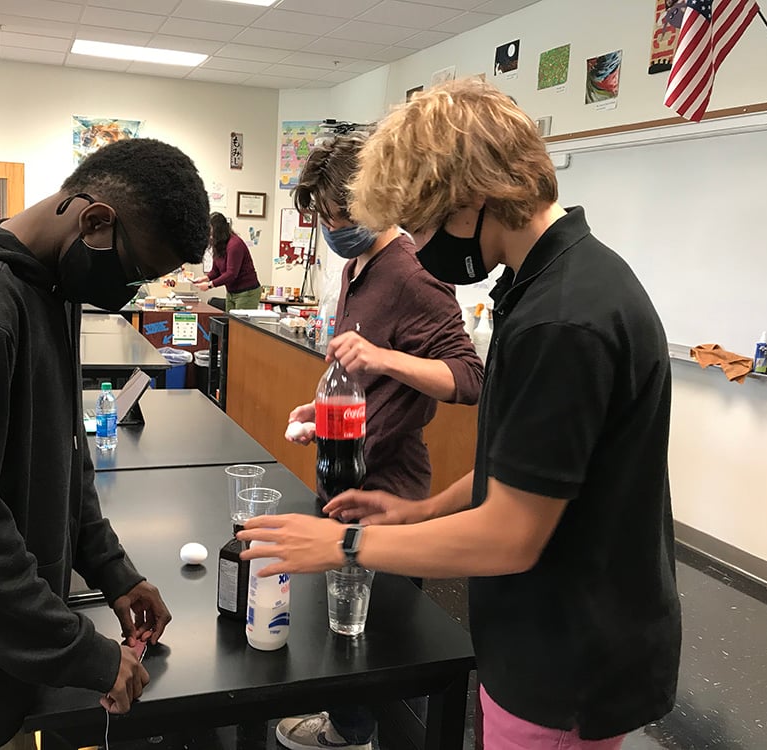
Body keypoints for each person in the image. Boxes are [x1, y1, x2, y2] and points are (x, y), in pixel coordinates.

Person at [240, 79, 682, 750]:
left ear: (474, 195)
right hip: (543, 631)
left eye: (421, 223)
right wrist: (420, 511)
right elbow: (518, 471)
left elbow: (510, 535)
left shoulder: (564, 319)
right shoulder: (544, 288)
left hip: (565, 655)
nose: (418, 243)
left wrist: (345, 545)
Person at [0, 138, 210, 750]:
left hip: (10, 648)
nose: (128, 290)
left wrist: (112, 569)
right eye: (135, 272)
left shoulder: (50, 288)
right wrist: (80, 650)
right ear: (95, 221)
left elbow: (62, 452)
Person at [274, 133, 484, 750]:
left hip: (389, 483)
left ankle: (356, 734)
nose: (335, 227)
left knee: (368, 626)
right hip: (344, 467)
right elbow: (356, 369)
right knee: (339, 616)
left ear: (376, 200)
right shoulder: (353, 266)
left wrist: (387, 357)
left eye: (342, 215)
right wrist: (323, 405)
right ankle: (349, 722)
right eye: (327, 218)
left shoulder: (414, 272)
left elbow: (469, 378)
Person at [194, 212, 261, 310]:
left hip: (247, 293)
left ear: (218, 230)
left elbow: (231, 274)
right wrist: (204, 279)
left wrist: (209, 285)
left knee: (240, 324)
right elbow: (215, 271)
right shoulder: (219, 244)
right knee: (231, 323)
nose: (209, 232)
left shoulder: (235, 244)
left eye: (210, 229)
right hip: (231, 292)